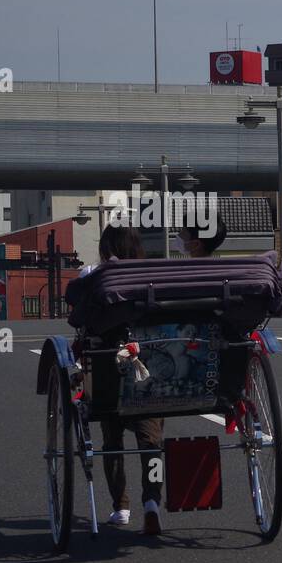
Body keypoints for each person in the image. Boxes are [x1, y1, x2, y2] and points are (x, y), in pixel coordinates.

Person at [91, 224, 167, 534]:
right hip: (153, 374)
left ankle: (120, 507)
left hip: (111, 373)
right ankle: (151, 502)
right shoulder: (155, 278)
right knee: (151, 443)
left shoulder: (98, 279)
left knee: (112, 442)